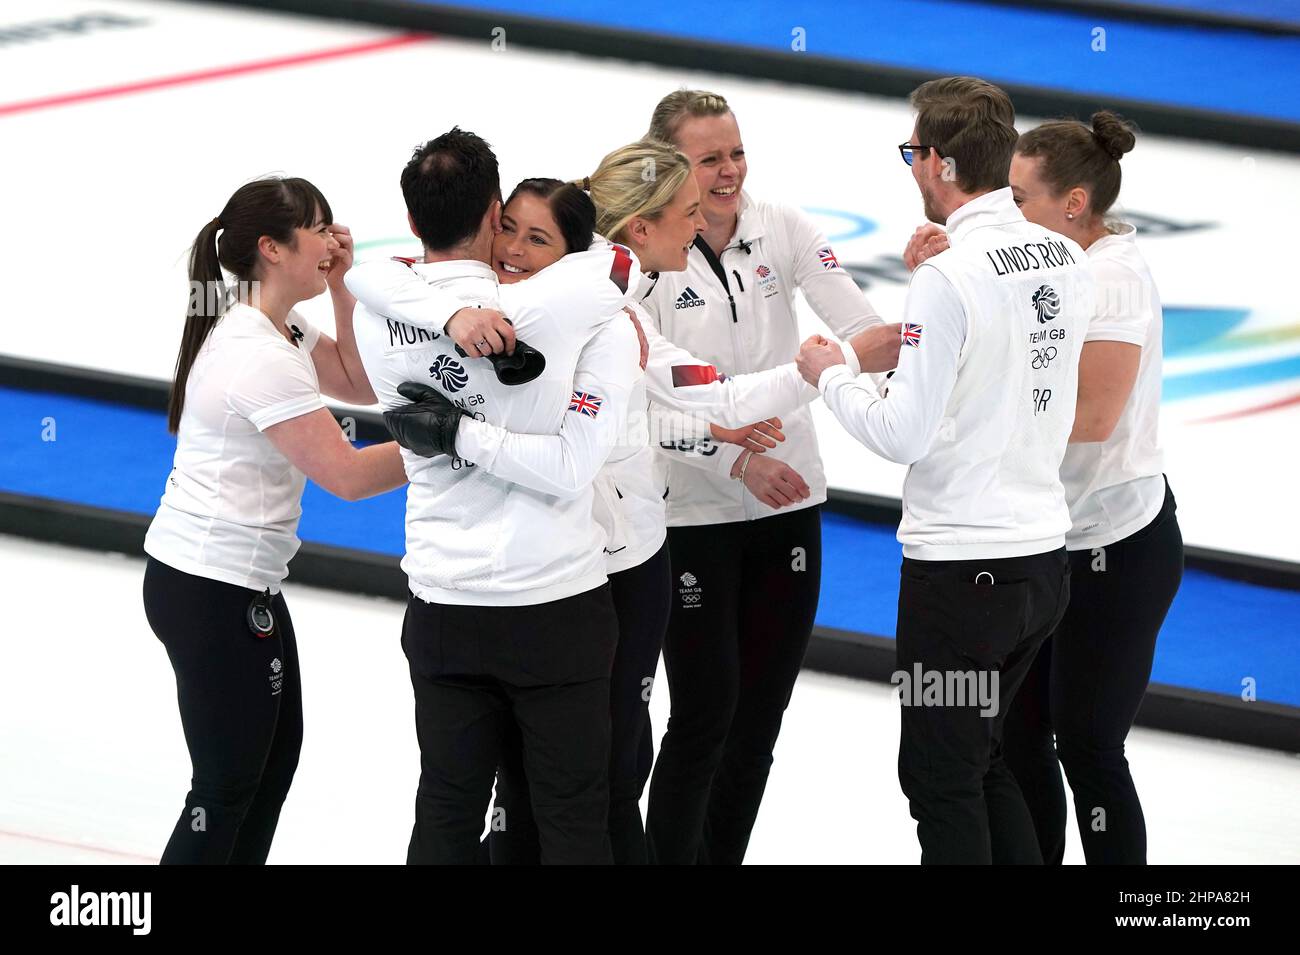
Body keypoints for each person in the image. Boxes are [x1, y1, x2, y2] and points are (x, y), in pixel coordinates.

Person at [354, 148, 888, 864]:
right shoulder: (529, 312)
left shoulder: (607, 316)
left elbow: (650, 419)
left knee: (603, 774)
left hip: (615, 570)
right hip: (558, 583)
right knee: (550, 794)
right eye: (509, 229)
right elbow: (600, 442)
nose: (512, 248)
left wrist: (784, 395)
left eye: (535, 237)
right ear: (638, 228)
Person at [796, 76, 1096, 864]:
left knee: (939, 775)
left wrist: (831, 374)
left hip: (965, 578)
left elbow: (902, 433)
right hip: (1041, 564)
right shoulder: (1066, 255)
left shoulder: (950, 277)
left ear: (939, 162)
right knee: (982, 759)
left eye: (911, 155)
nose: (912, 170)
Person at [346, 128, 646, 865]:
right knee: (574, 819)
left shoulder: (378, 311)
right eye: (508, 223)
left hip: (445, 602)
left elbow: (366, 277)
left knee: (445, 811)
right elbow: (621, 263)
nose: (512, 242)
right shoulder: (567, 308)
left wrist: (455, 433)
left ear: (413, 221)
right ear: (490, 211)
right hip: (556, 607)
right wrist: (459, 322)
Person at [637, 89, 896, 865]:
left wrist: (934, 314)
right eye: (709, 158)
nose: (728, 172)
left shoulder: (781, 226)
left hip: (789, 502)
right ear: (669, 165)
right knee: (703, 715)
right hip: (691, 513)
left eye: (736, 152)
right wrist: (735, 454)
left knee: (758, 721)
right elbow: (646, 409)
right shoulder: (641, 257)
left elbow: (860, 329)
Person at [142, 176, 409, 864]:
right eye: (318, 229)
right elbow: (346, 477)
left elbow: (357, 376)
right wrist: (449, 439)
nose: (332, 239)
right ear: (271, 247)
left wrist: (344, 284)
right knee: (227, 784)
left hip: (236, 583)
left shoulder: (277, 324)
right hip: (210, 585)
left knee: (263, 774)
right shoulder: (257, 353)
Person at [997, 114, 1182, 865]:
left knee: (1089, 742)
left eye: (1019, 198)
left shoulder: (1113, 279)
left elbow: (1095, 416)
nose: (1007, 213)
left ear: (1073, 203)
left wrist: (984, 419)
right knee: (1017, 732)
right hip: (1056, 534)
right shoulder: (1055, 262)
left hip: (1117, 544)